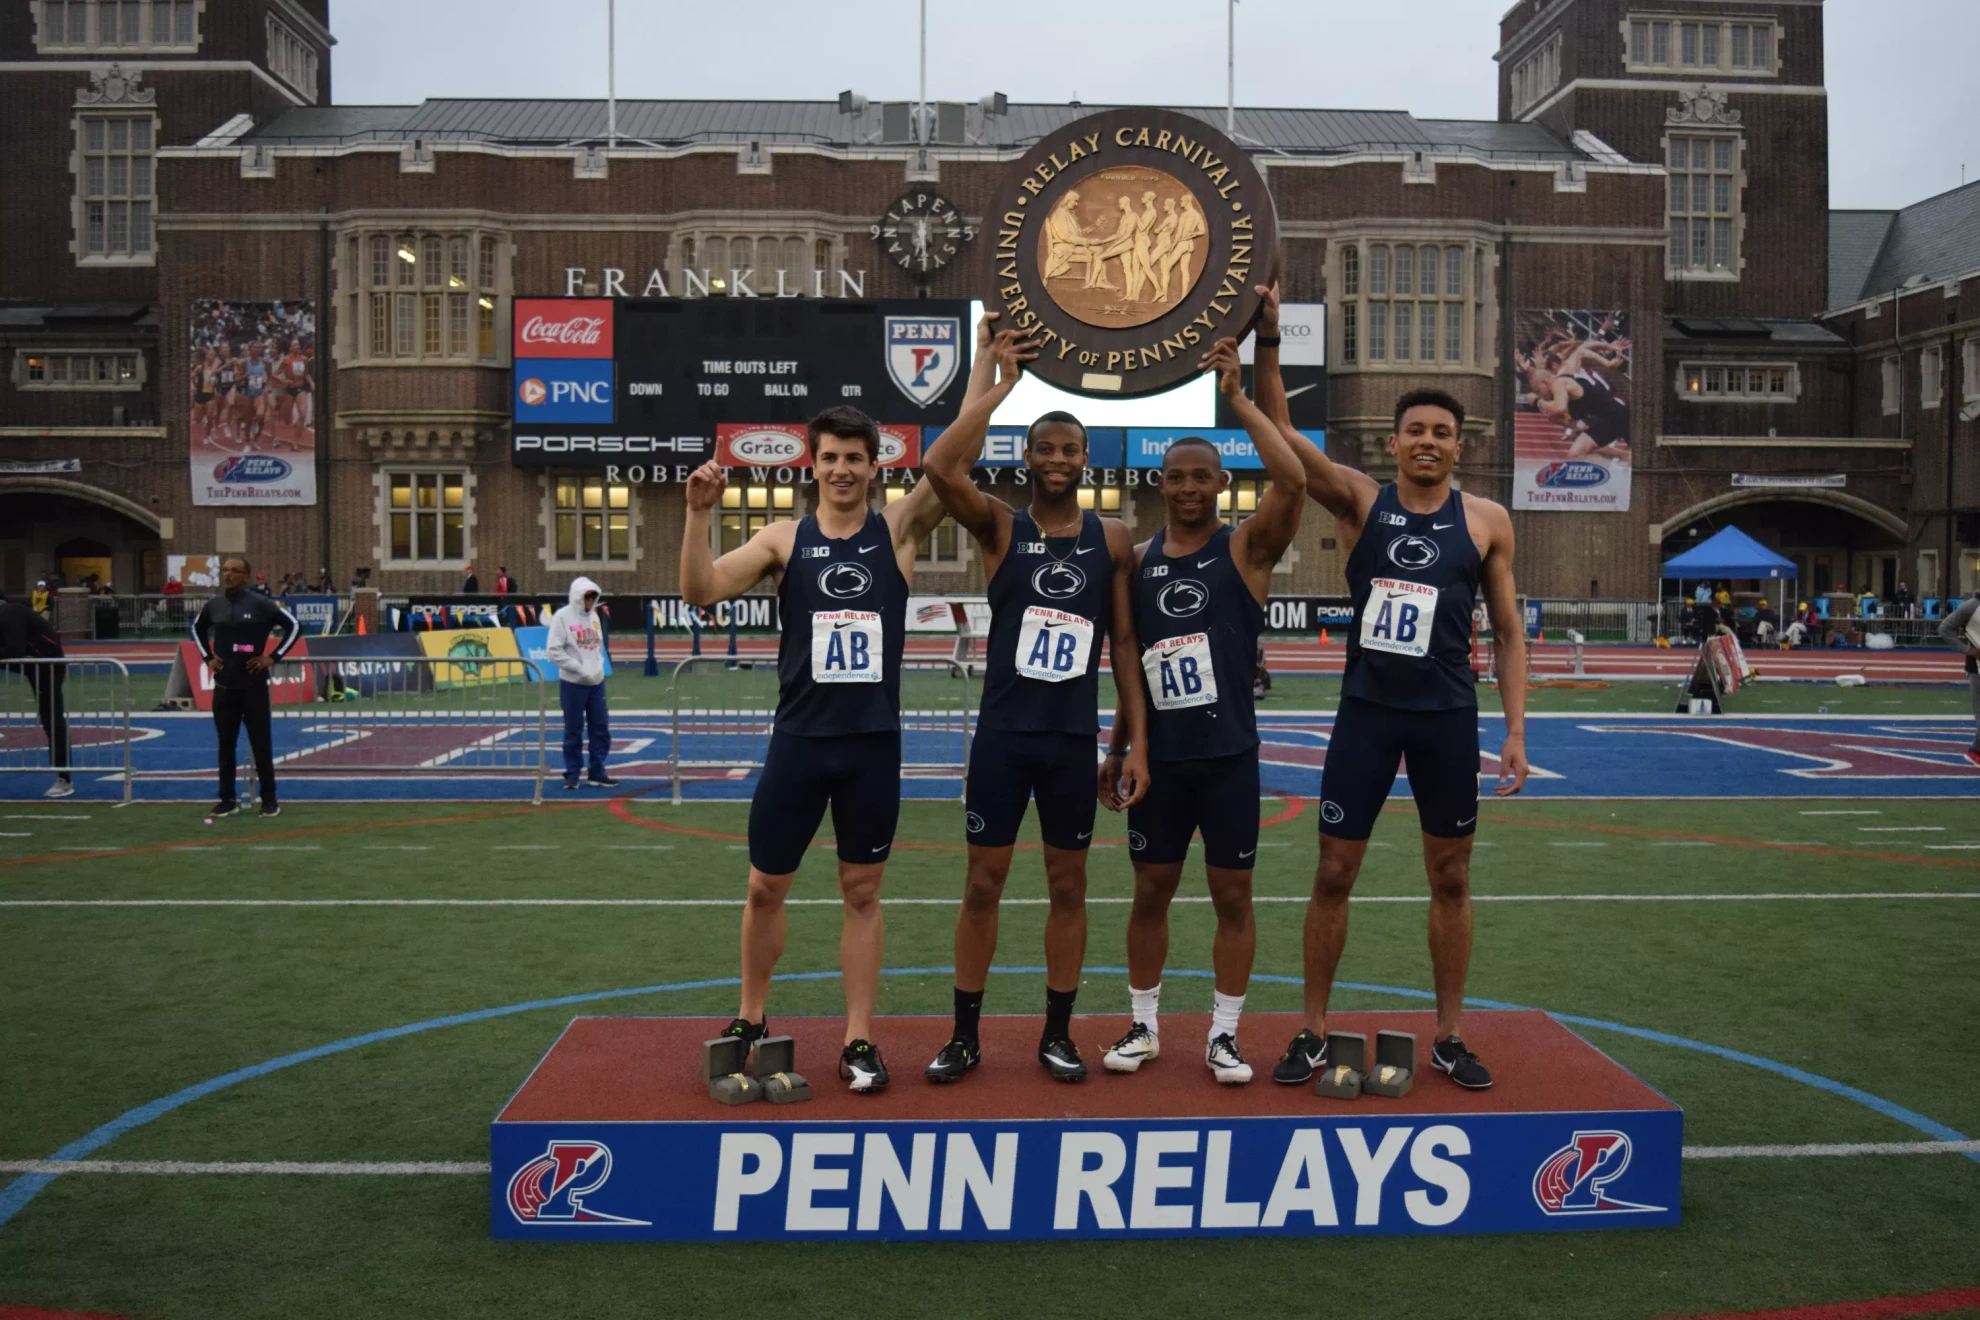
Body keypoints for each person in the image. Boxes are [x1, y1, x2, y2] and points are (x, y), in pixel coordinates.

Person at [680, 405, 950, 1093]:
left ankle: (859, 1037)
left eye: (854, 458)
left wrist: (989, 375)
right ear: (813, 463)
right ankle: (751, 1018)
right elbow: (700, 590)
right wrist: (696, 515)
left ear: (873, 465)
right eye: (829, 457)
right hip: (799, 743)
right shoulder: (783, 538)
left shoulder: (897, 531)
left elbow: (954, 457)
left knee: (862, 892)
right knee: (764, 886)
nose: (841, 470)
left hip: (870, 747)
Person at [1270, 381, 1530, 1092]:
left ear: (1458, 445)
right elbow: (1285, 429)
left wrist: (1514, 729)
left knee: (1450, 876)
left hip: (1447, 718)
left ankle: (1449, 1034)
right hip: (1368, 715)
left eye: (1441, 433)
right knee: (1333, 873)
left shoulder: (1486, 521)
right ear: (1393, 443)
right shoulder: (1360, 501)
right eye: (1415, 430)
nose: (1428, 442)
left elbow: (1508, 633)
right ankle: (1314, 1030)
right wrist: (1265, 350)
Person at [916, 319, 1152, 1085]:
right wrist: (1001, 381)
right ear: (1028, 457)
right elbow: (939, 462)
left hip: (1068, 742)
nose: (1057, 460)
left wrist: (1128, 741)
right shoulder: (998, 527)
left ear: (1086, 460)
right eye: (1045, 449)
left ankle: (1057, 1033)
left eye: (1069, 450)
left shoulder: (1111, 538)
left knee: (1068, 886)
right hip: (1002, 737)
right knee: (981, 884)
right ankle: (965, 1035)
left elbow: (1122, 645)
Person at [1099, 293, 1308, 1087]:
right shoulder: (1139, 559)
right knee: (1150, 891)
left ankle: (1224, 1035)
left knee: (1231, 895)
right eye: (1175, 477)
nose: (1188, 487)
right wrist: (1117, 749)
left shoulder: (1247, 552)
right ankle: (1144, 1025)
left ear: (1222, 484)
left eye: (1201, 477)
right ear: (1161, 484)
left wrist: (1240, 399)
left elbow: (1291, 480)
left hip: (1228, 757)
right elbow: (1130, 662)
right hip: (1162, 762)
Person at [190, 557, 300, 818]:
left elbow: (294, 626)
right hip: (224, 685)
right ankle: (227, 799)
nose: (228, 575)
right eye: (225, 570)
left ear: (246, 577)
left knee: (261, 743)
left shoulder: (261, 603)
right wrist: (207, 657)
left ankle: (269, 800)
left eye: (235, 571)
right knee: (225, 744)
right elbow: (197, 629)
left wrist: (273, 658)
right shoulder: (214, 604)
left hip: (254, 685)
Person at [545, 576, 617, 791]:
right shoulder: (561, 617)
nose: (591, 601)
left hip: (596, 683)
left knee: (600, 728)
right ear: (578, 597)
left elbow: (596, 647)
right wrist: (578, 668)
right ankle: (572, 774)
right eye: (587, 597)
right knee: (573, 731)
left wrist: (598, 668)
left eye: (594, 597)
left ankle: (597, 771)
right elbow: (553, 651)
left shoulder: (594, 617)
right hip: (573, 684)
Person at [0, 596, 73, 798]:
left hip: (47, 666)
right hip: (35, 664)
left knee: (52, 719)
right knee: (51, 718)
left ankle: (64, 778)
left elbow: (15, 648)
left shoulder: (9, 613)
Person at [1938, 589, 1980, 766]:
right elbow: (1945, 628)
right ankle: (1975, 752)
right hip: (1977, 669)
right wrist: (1967, 650)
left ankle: (1976, 750)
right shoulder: (1972, 606)